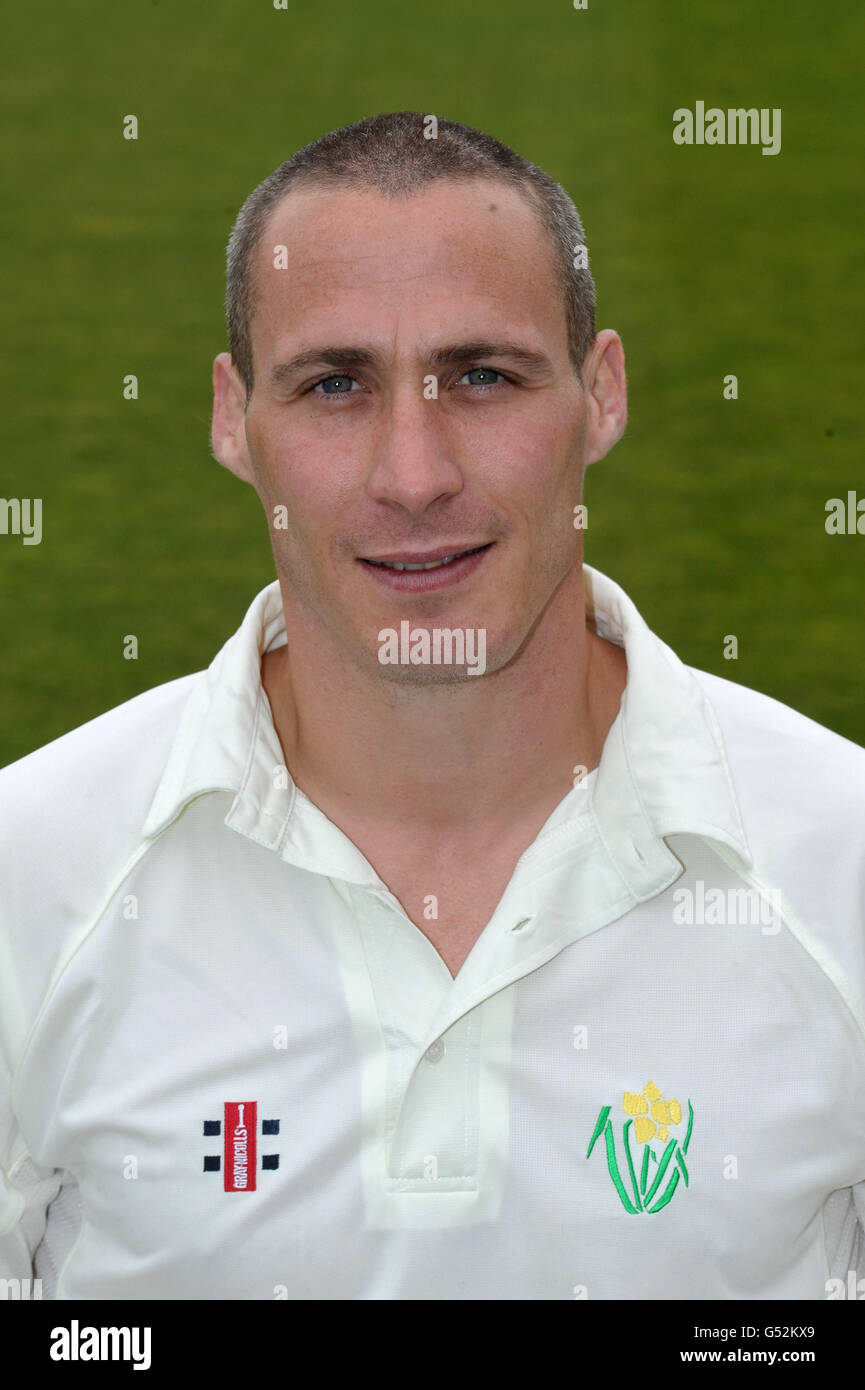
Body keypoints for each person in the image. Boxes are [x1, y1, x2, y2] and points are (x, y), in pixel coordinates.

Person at [1, 111, 863, 1302]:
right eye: (335, 384)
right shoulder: (27, 873)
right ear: (230, 420)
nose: (415, 475)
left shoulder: (842, 860)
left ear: (600, 394)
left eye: (482, 376)